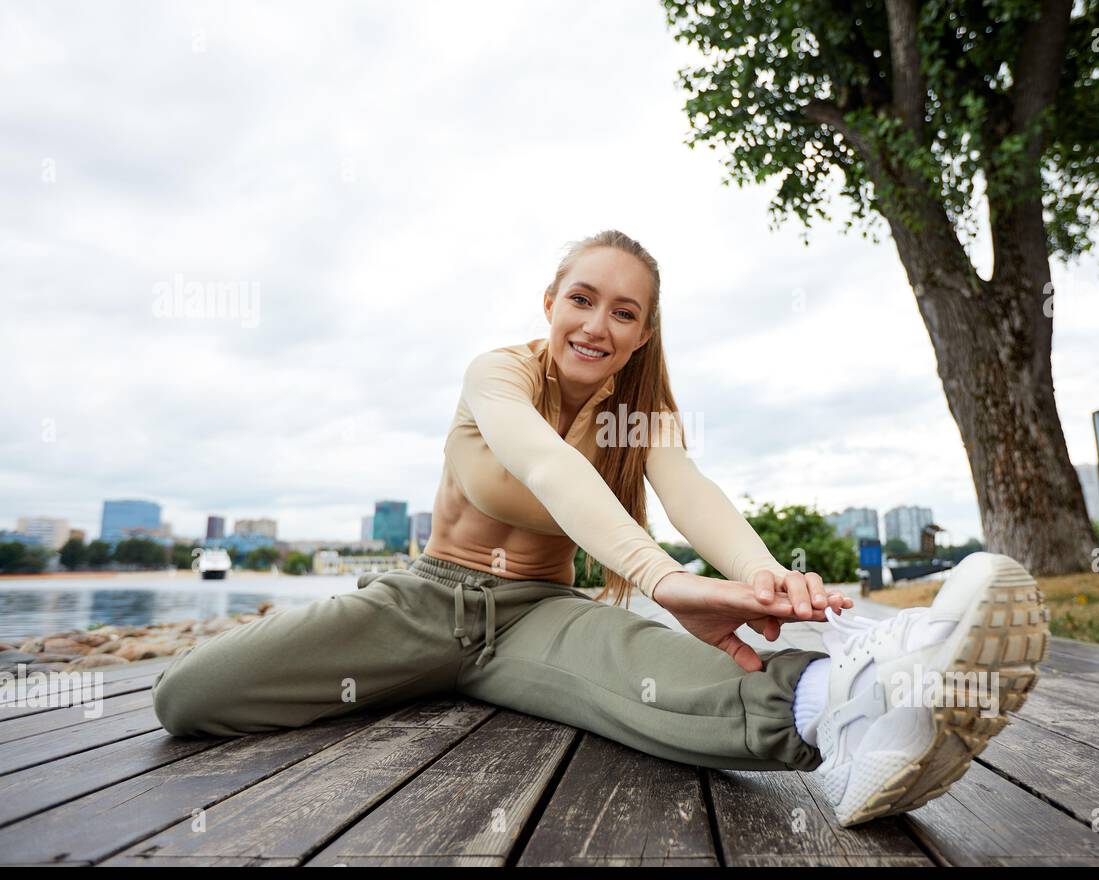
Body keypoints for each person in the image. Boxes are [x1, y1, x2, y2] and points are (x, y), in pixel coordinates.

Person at [152, 228, 1049, 827]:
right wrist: (664, 581)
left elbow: (689, 489)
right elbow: (548, 469)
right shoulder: (497, 376)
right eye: (582, 299)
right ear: (550, 299)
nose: (597, 323)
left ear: (643, 330)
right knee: (187, 696)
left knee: (648, 673)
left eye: (624, 312)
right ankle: (417, 676)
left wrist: (769, 578)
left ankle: (854, 714)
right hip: (425, 604)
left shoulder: (640, 408)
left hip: (538, 613)